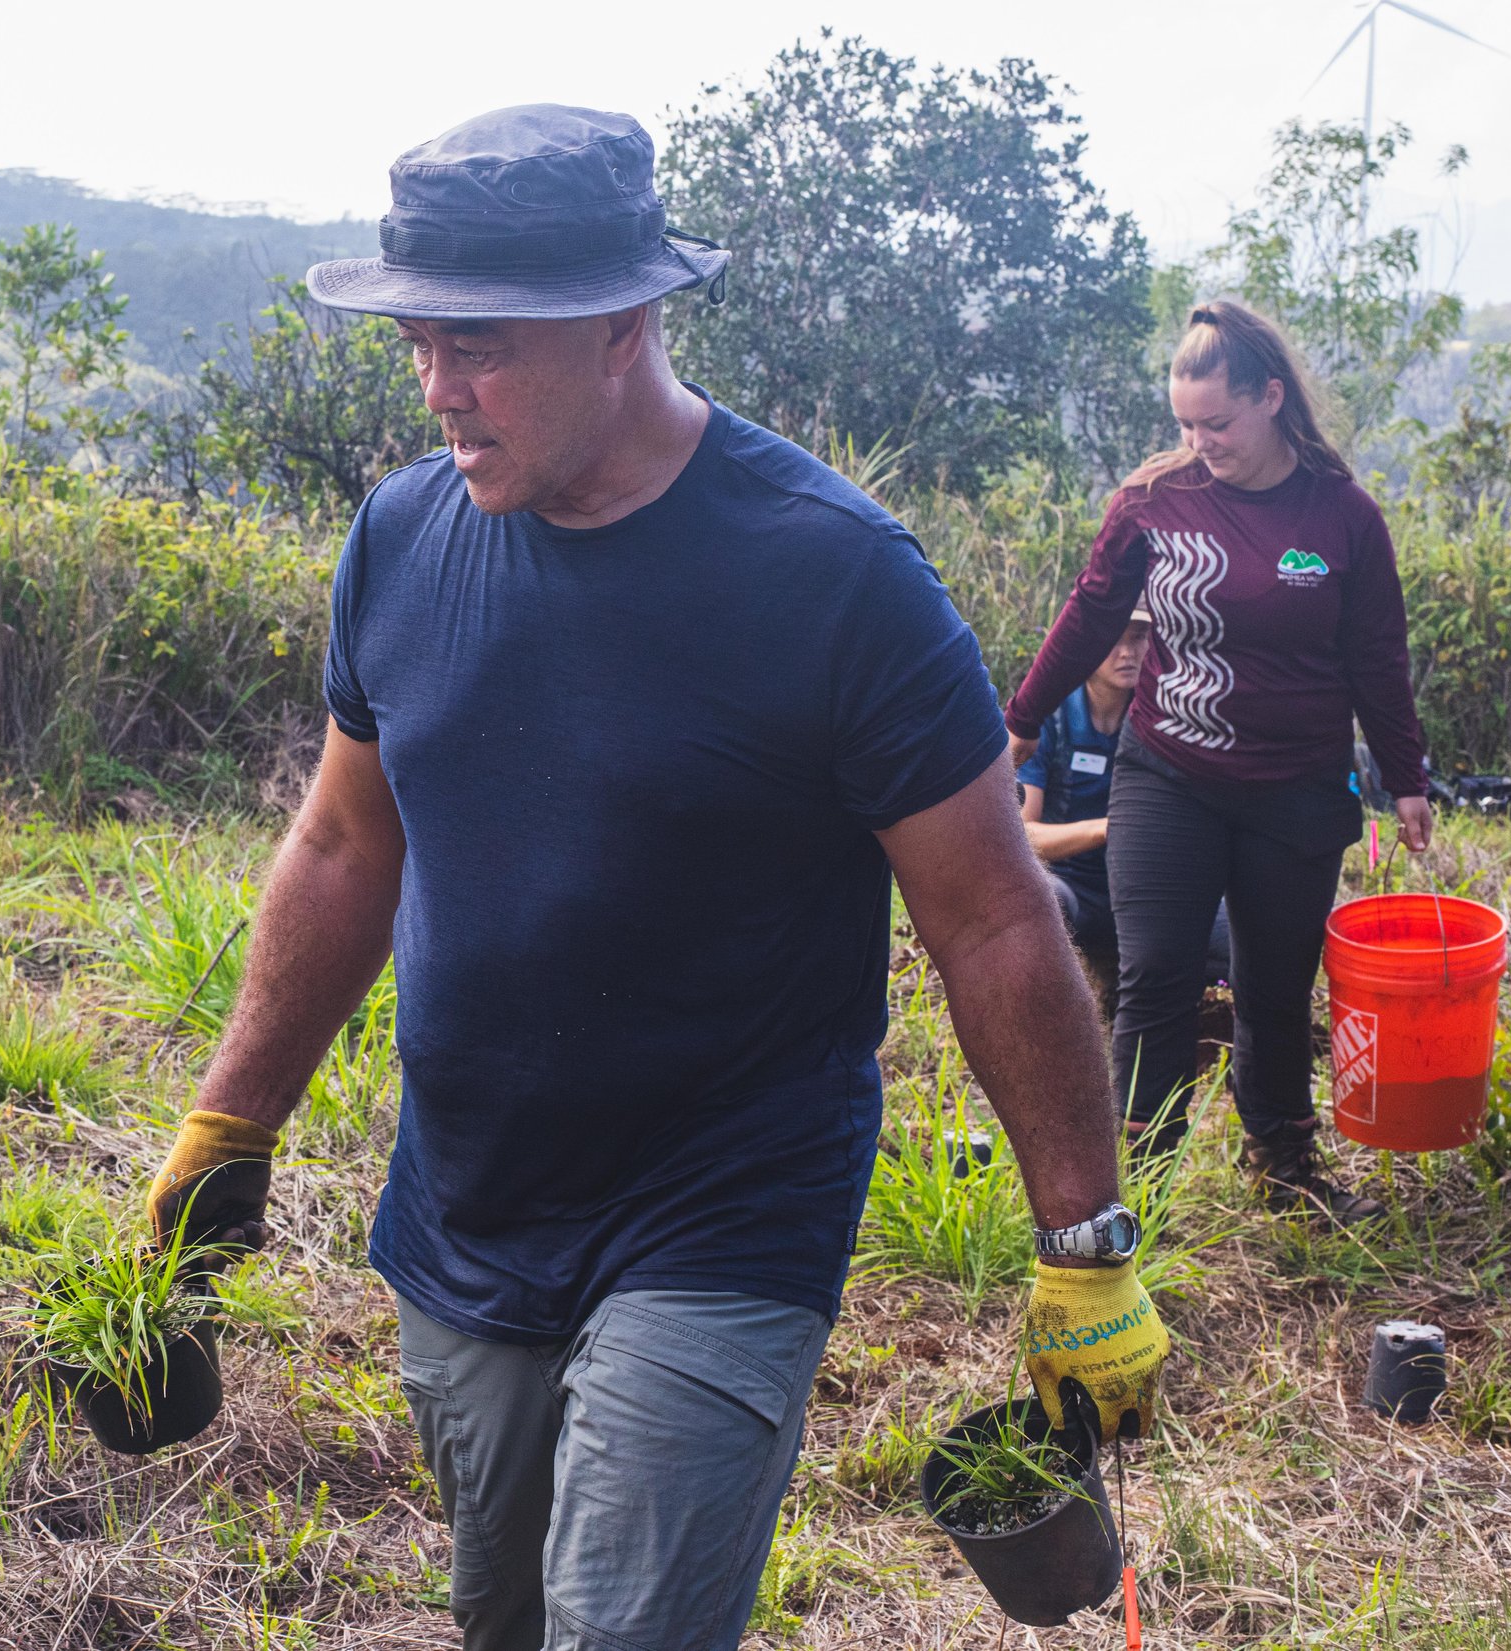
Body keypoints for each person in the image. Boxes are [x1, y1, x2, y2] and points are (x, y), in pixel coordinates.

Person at [144, 105, 1168, 1651]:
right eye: (421, 343)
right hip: (472, 1209)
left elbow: (992, 914)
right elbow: (349, 843)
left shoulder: (831, 573)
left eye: (481, 344)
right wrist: (230, 1123)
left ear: (624, 321)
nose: (441, 390)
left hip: (723, 1210)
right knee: (504, 1614)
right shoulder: (405, 538)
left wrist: (1080, 1243)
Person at [1006, 300, 1432, 1219]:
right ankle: (1135, 1192)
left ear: (1271, 397)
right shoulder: (1154, 505)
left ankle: (1284, 1167)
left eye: (1219, 423)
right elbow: (1087, 613)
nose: (1200, 442)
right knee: (1157, 970)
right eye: (1186, 424)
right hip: (1170, 774)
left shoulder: (1340, 514)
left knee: (1273, 984)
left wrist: (1406, 778)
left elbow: (1376, 655)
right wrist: (1025, 717)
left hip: (1299, 789)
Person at [1017, 605, 1231, 1004]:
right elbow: (1024, 836)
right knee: (1040, 903)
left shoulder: (1167, 715)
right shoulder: (1049, 715)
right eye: (1113, 639)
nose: (1128, 652)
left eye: (1137, 637)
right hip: (1071, 883)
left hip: (1147, 886)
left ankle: (1134, 985)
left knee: (1236, 943)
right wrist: (1112, 828)